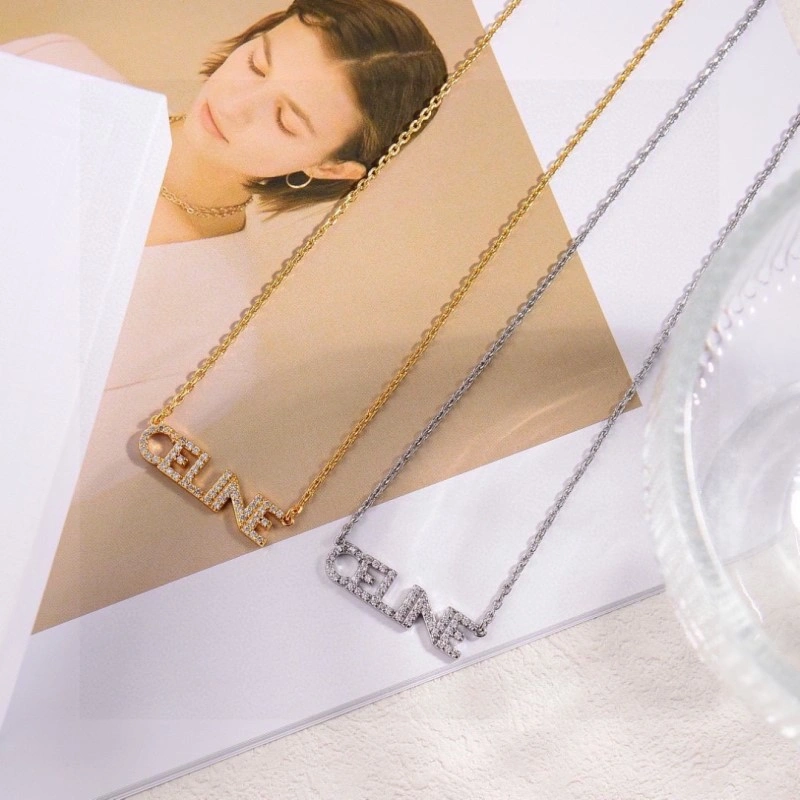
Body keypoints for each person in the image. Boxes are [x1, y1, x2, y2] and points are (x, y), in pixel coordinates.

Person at [149, 0, 447, 245]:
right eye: (257, 65)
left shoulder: (210, 286)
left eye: (284, 120)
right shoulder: (119, 94)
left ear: (330, 168)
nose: (232, 106)